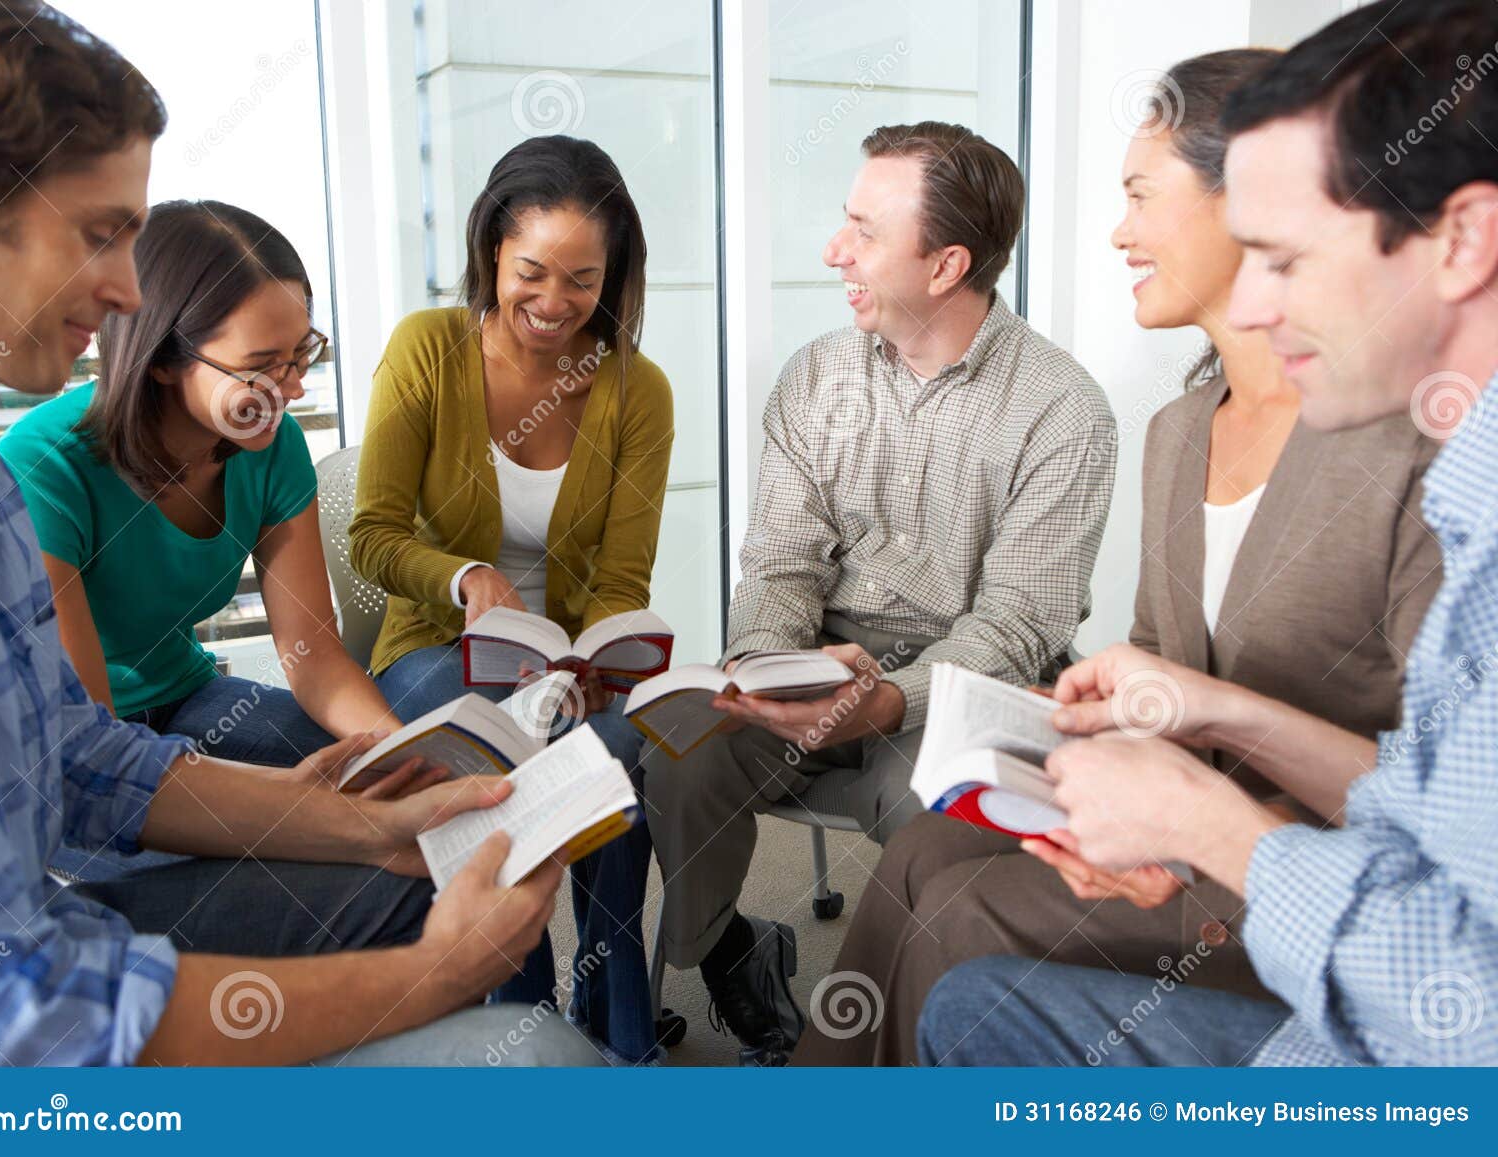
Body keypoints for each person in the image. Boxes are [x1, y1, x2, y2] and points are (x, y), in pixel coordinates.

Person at [0, 0, 596, 1068]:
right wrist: (433, 973)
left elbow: (82, 754)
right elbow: (0, 1020)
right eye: (98, 233)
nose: (126, 288)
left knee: (342, 791)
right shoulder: (28, 468)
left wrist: (365, 811)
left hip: (98, 830)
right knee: (536, 1059)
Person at [794, 50, 1442, 1066]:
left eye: (1141, 196)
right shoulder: (1180, 431)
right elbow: (1158, 653)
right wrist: (1080, 732)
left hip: (1302, 861)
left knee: (965, 910)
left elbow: (1434, 779)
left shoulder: (1407, 442)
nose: (1118, 230)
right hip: (1174, 807)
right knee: (925, 838)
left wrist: (1190, 812)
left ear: (1254, 199)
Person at [641, 121, 1117, 1065]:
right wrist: (771, 670)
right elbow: (778, 561)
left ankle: (901, 1048)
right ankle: (729, 947)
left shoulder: (1064, 412)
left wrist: (889, 700)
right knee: (678, 752)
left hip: (957, 694)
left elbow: (1017, 625)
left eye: (863, 230)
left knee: (934, 827)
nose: (834, 250)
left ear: (945, 265)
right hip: (818, 664)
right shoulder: (815, 375)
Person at [351, 135, 674, 1063]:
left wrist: (582, 666)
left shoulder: (635, 390)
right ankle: (520, 1011)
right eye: (532, 271)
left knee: (617, 757)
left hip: (570, 662)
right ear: (492, 246)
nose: (553, 303)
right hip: (431, 648)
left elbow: (622, 578)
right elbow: (373, 534)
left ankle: (621, 1030)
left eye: (582, 279)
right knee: (512, 749)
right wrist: (464, 577)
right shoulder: (427, 350)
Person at [0, 200, 410, 882]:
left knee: (385, 790)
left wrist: (397, 748)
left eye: (302, 353)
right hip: (77, 756)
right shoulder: (46, 463)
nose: (294, 388)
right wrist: (282, 809)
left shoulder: (270, 445)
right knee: (284, 863)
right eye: (263, 365)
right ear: (162, 360)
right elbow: (92, 742)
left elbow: (310, 654)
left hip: (188, 699)